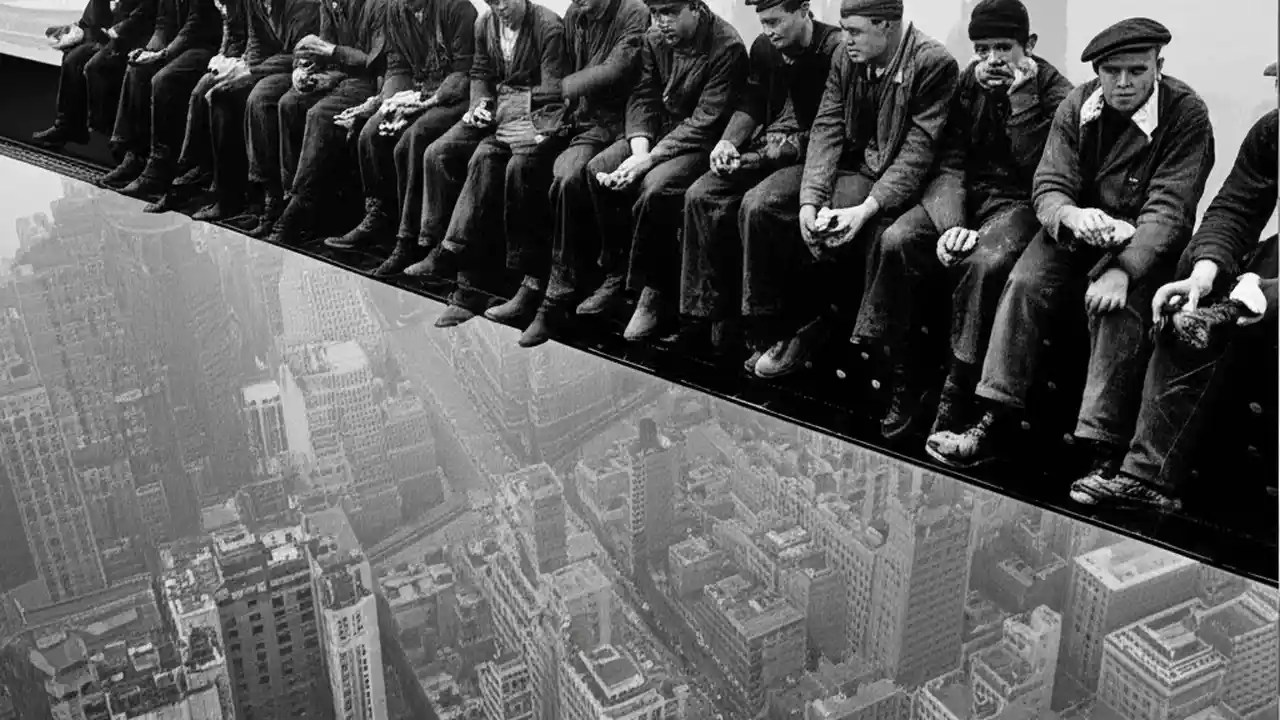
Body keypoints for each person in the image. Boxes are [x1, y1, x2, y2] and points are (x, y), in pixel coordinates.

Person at [927, 18, 1215, 475]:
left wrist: (1124, 268)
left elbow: (1170, 209)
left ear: (1158, 66)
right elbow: (1050, 182)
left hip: (1141, 241)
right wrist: (1071, 216)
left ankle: (1102, 449)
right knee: (1023, 282)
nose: (1123, 83)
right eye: (1111, 70)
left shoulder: (1186, 115)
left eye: (1137, 71)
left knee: (1117, 309)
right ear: (1098, 70)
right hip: (1076, 232)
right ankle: (996, 419)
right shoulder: (1078, 105)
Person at [1068, 69, 1277, 512]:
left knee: (1237, 301)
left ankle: (1228, 313)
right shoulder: (1272, 132)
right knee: (1189, 290)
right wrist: (1202, 277)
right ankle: (1148, 479)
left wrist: (1261, 295)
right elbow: (1234, 209)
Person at [739, 0, 958, 379]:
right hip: (851, 168)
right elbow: (827, 126)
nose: (846, 39)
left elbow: (916, 155)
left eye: (855, 30)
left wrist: (866, 208)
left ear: (887, 26)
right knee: (760, 204)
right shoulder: (847, 55)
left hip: (897, 182)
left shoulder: (933, 63)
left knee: (875, 236)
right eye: (844, 29)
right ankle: (776, 326)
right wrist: (809, 200)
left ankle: (881, 361)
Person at [914, 0, 1072, 440]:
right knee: (900, 238)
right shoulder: (969, 83)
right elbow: (948, 158)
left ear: (1031, 46)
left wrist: (1022, 104)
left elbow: (1045, 175)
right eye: (982, 49)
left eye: (1004, 47)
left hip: (1025, 204)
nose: (993, 60)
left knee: (982, 262)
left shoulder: (1059, 94)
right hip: (969, 200)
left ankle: (957, 386)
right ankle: (903, 370)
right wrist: (951, 224)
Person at [669, 0, 840, 359]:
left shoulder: (834, 51)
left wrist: (762, 157)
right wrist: (728, 143)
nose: (768, 31)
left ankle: (765, 326)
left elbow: (832, 130)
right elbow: (752, 100)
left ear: (804, 9)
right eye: (763, 22)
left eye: (776, 21)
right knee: (701, 193)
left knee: (758, 204)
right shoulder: (765, 48)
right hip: (768, 147)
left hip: (814, 157)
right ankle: (705, 314)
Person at [577, 0, 748, 339]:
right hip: (657, 135)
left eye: (670, 13)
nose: (661, 22)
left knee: (654, 188)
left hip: (700, 144)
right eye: (656, 13)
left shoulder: (726, 46)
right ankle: (616, 273)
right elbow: (643, 96)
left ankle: (654, 292)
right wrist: (639, 147)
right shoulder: (654, 39)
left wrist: (650, 159)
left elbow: (706, 120)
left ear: (696, 8)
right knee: (598, 169)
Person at [400, 0, 569, 330]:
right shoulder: (485, 24)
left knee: (489, 160)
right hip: (500, 115)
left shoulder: (549, 28)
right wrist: (481, 103)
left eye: (506, 0)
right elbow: (480, 74)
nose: (501, 7)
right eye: (493, 1)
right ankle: (438, 246)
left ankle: (462, 268)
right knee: (439, 153)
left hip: (538, 122)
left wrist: (511, 105)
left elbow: (554, 89)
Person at [495, 0, 652, 345]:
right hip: (580, 122)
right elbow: (562, 75)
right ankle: (532, 280)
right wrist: (543, 120)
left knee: (568, 176)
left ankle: (556, 298)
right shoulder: (576, 13)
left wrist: (543, 94)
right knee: (521, 164)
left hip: (618, 126)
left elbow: (615, 70)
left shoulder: (633, 13)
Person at [322, 0, 479, 271]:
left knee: (413, 138)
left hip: (454, 98)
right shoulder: (396, 10)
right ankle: (379, 218)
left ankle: (408, 241)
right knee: (372, 131)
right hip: (418, 93)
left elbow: (464, 75)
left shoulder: (458, 8)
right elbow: (397, 68)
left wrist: (423, 103)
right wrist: (388, 103)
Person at [267, 0, 392, 245]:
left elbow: (373, 62)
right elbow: (322, 49)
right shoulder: (329, 4)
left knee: (319, 114)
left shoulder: (376, 6)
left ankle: (299, 207)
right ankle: (290, 197)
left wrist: (332, 52)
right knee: (289, 104)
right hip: (341, 75)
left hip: (367, 81)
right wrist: (302, 69)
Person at [194, 0, 321, 224]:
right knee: (222, 93)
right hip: (269, 65)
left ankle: (270, 198)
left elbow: (301, 56)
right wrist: (243, 71)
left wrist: (251, 71)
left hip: (298, 70)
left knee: (260, 98)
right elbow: (256, 44)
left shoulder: (303, 4)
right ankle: (227, 197)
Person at [97, 0, 224, 194]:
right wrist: (149, 51)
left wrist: (164, 54)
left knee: (164, 80)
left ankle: (159, 166)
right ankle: (134, 155)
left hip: (204, 47)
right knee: (137, 69)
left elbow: (194, 27)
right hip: (177, 45)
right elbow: (163, 24)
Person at [147, 0, 248, 213]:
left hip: (231, 55)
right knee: (199, 93)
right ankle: (181, 172)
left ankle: (214, 187)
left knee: (215, 94)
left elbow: (198, 25)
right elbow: (230, 34)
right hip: (231, 56)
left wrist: (239, 63)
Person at [32, 0, 158, 150]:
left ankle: (113, 136)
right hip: (110, 36)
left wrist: (116, 32)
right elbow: (95, 15)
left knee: (91, 63)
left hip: (136, 38)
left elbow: (144, 16)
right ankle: (67, 126)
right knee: (73, 56)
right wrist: (79, 31)